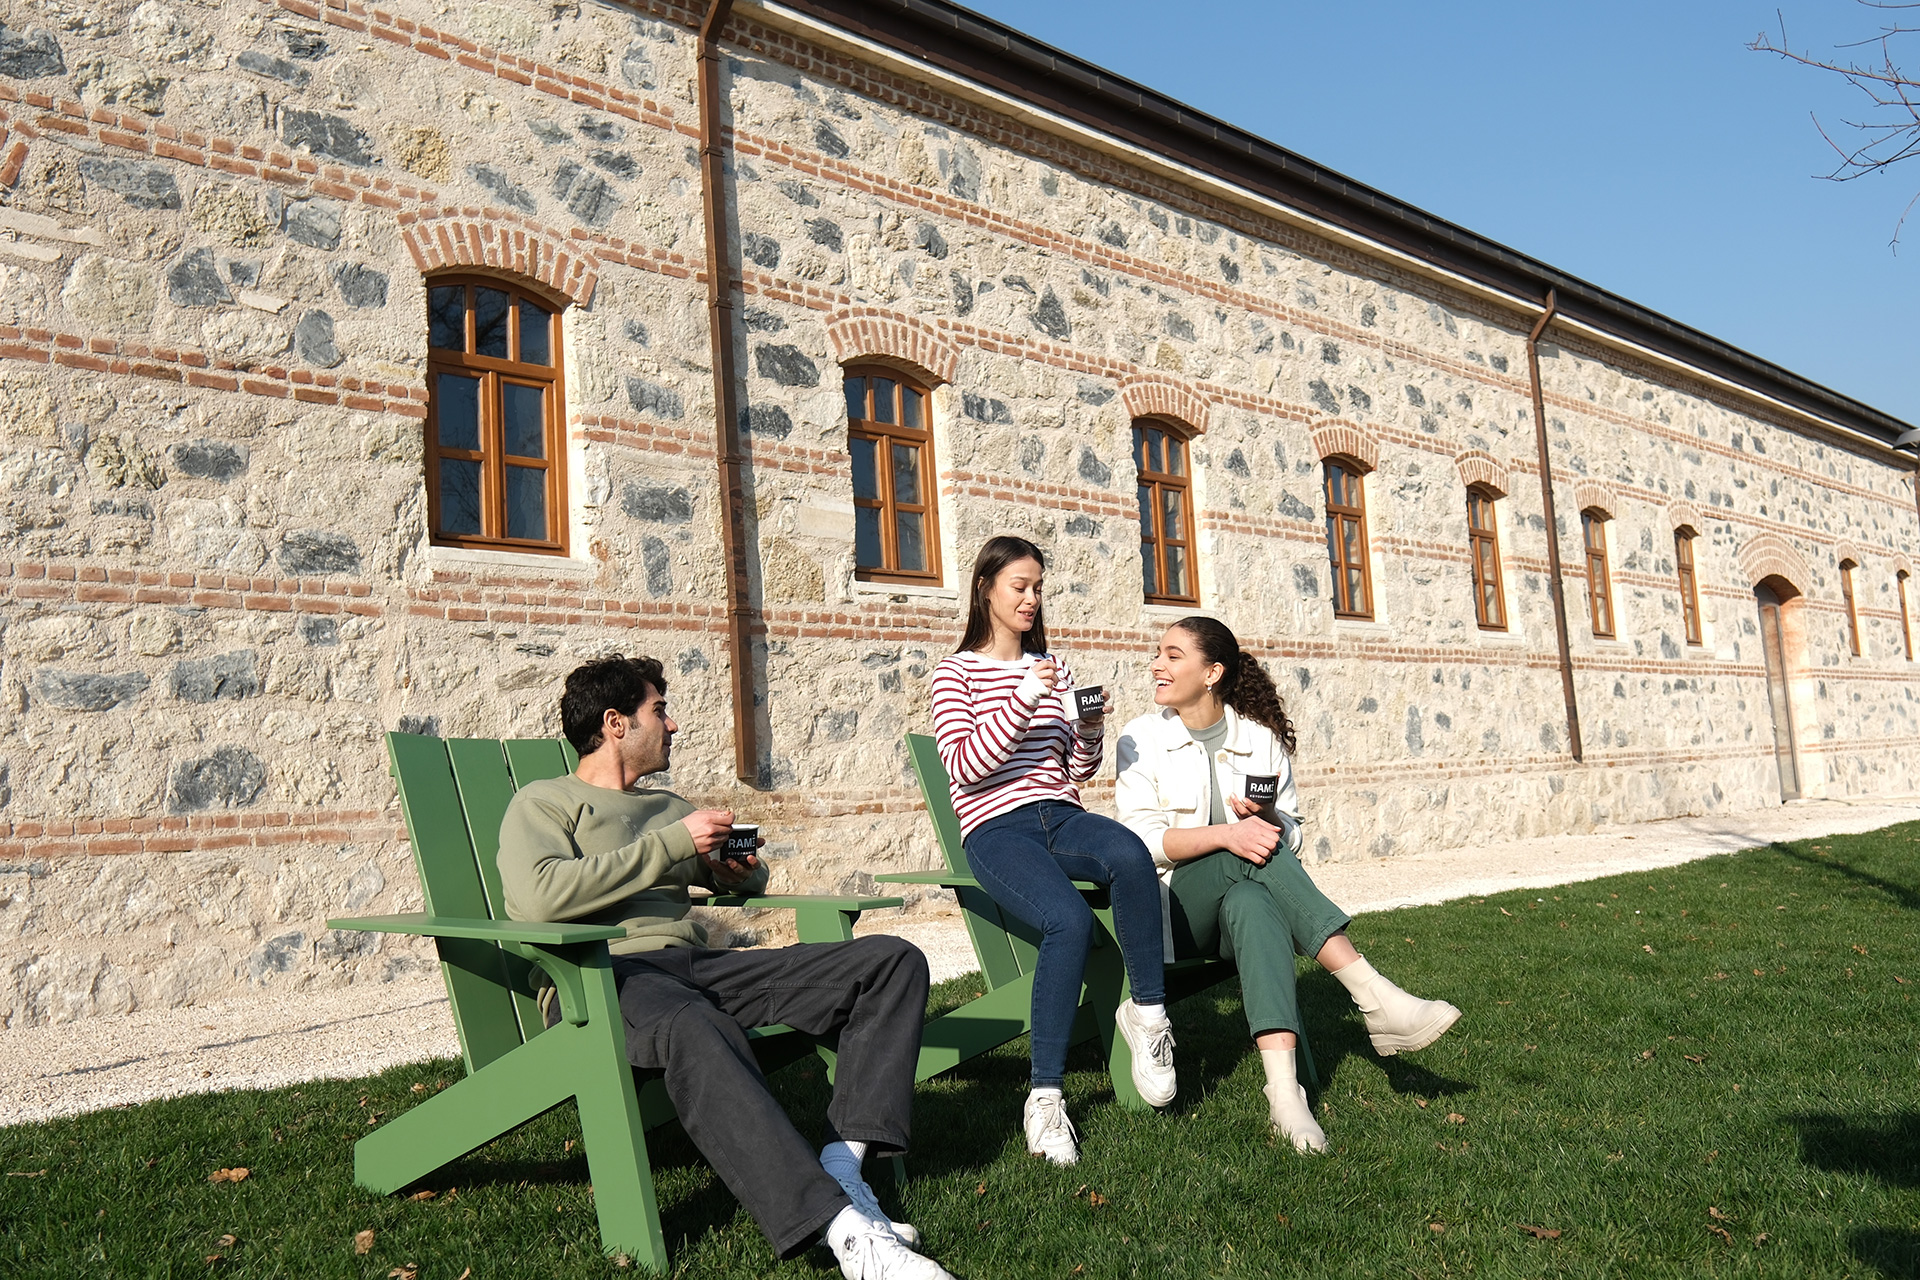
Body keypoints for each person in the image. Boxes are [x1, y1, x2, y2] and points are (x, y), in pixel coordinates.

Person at [496, 656, 954, 1280]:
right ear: (615, 724)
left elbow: (722, 871)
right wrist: (675, 844)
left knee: (890, 962)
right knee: (693, 1024)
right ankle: (844, 1232)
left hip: (696, 965)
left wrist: (735, 868)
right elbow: (540, 898)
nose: (674, 724)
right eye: (660, 710)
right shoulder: (544, 803)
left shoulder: (667, 807)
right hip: (601, 979)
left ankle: (843, 1162)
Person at [1115, 617, 1462, 1153]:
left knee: (1254, 897)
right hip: (1172, 913)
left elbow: (1290, 837)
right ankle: (1374, 996)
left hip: (1237, 911)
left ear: (1212, 673)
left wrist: (1269, 815)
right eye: (1159, 653)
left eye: (1172, 655)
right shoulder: (1141, 738)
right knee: (1244, 851)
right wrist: (1229, 834)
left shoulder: (1260, 741)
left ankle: (1285, 1095)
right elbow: (1141, 845)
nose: (1157, 665)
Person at [929, 535, 1175, 1166]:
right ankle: (1045, 1098)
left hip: (1061, 815)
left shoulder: (1055, 667)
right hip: (994, 829)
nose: (1032, 599)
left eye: (1039, 587)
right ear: (987, 588)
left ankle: (1147, 1016)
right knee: (1066, 919)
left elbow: (1077, 767)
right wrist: (1024, 698)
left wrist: (1089, 728)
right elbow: (964, 765)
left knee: (1130, 854)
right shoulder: (954, 673)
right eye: (1021, 586)